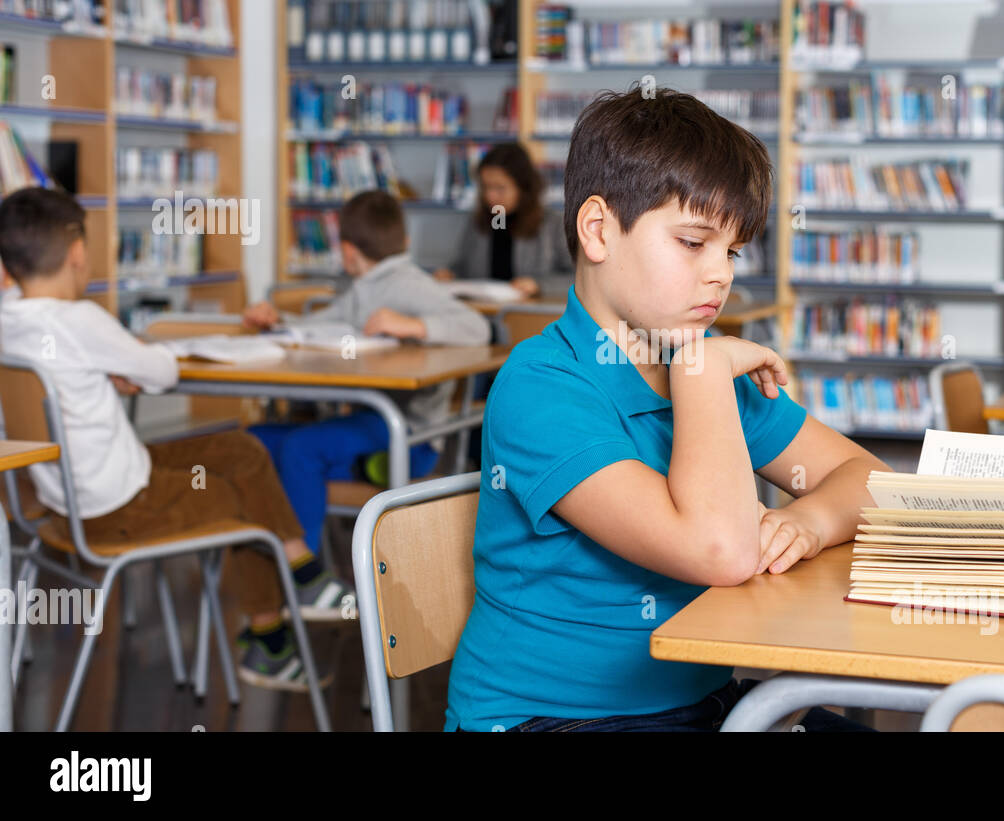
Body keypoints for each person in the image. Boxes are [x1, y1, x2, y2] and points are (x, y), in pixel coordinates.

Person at [444, 87, 890, 732]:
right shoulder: (542, 386)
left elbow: (874, 481)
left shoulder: (697, 364)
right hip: (552, 720)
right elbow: (719, 552)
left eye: (731, 252)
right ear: (597, 229)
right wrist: (703, 373)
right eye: (692, 243)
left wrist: (812, 521)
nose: (721, 276)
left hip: (700, 705)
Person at [0, 187, 350, 691]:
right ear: (77, 252)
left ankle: (302, 571)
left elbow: (76, 372)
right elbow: (160, 371)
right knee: (240, 500)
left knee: (240, 448)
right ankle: (273, 638)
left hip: (63, 502)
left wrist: (109, 369)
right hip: (118, 510)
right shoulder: (78, 320)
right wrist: (125, 362)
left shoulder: (10, 317)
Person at [242, 190, 491, 553]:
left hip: (410, 436)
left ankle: (305, 581)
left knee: (300, 449)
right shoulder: (362, 289)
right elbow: (317, 327)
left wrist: (414, 325)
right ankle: (272, 568)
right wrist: (277, 323)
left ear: (347, 252)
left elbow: (477, 328)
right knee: (253, 443)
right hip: (368, 424)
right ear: (404, 240)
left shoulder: (410, 284)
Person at [433, 142, 572, 299]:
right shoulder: (478, 222)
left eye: (500, 188)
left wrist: (538, 285)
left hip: (529, 318)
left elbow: (578, 278)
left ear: (522, 187)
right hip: (484, 312)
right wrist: (449, 274)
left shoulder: (553, 225)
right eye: (485, 187)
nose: (490, 196)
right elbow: (462, 266)